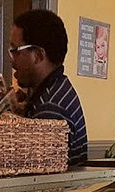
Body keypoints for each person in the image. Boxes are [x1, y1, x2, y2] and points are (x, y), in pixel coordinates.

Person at [10, 9, 88, 166]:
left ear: (38, 55)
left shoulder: (50, 108)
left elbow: (35, 176)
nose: (12, 60)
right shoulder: (58, 87)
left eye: (15, 51)